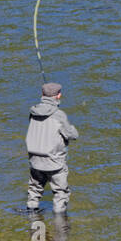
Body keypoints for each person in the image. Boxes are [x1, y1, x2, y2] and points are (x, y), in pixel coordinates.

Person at [25, 82, 78, 213]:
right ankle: (60, 225)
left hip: (35, 161)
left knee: (34, 190)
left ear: (42, 94)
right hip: (55, 163)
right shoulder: (59, 115)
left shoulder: (33, 111)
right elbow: (72, 135)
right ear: (59, 95)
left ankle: (32, 217)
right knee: (61, 193)